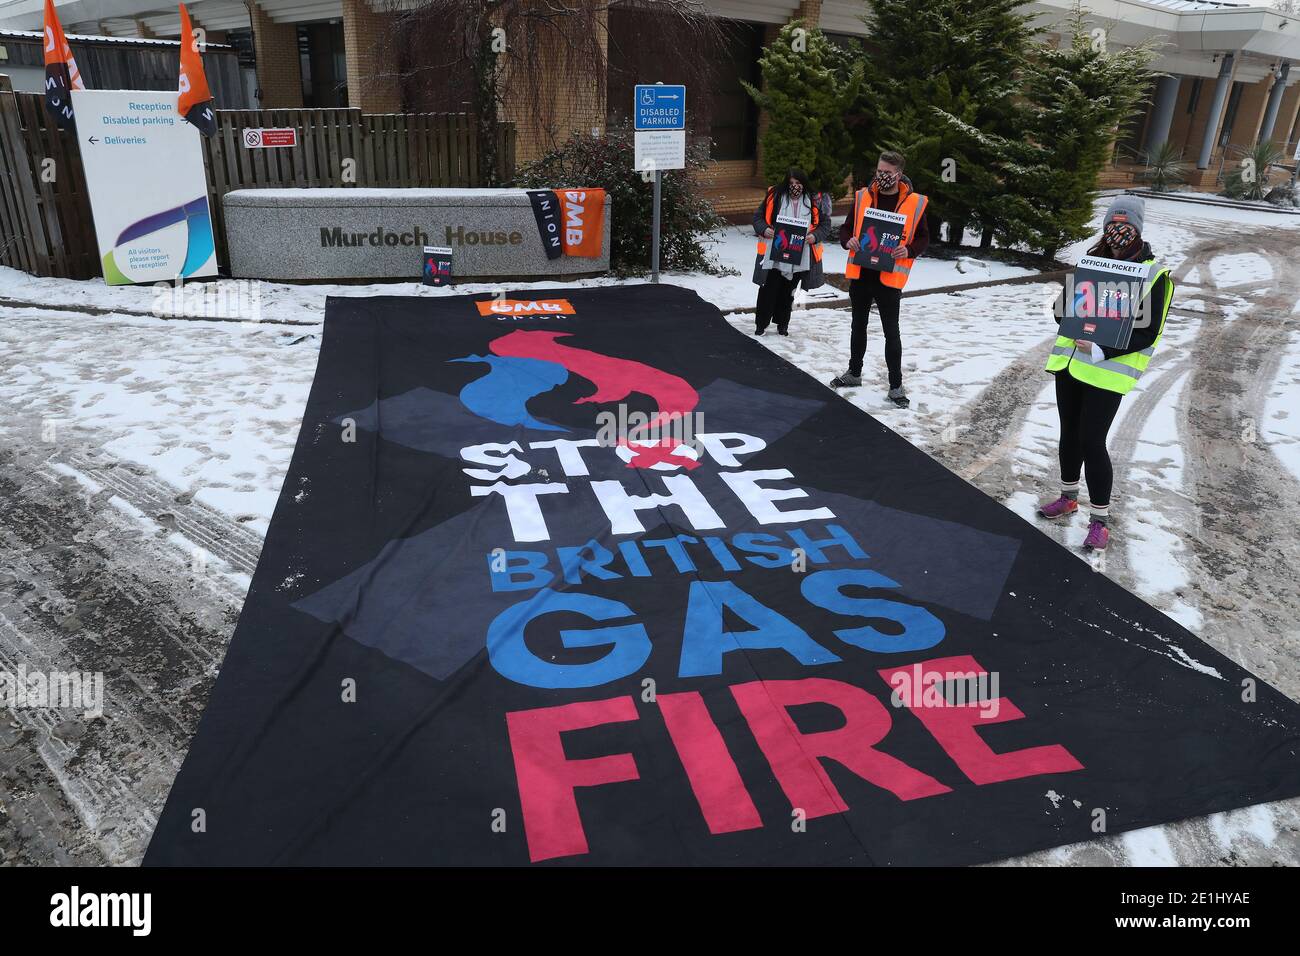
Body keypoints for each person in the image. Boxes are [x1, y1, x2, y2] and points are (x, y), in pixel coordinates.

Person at [1038, 195, 1175, 552]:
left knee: (1091, 441)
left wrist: (1100, 348)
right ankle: (1068, 497)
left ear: (1138, 229)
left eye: (1126, 225)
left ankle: (1100, 520)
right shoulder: (1092, 264)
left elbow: (1148, 332)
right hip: (1069, 365)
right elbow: (1060, 314)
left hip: (1107, 372)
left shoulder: (1154, 275)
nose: (1118, 231)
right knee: (1069, 434)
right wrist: (1067, 307)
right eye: (1113, 225)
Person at [829, 150, 929, 408]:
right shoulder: (863, 196)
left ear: (898, 174)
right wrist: (846, 240)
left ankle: (896, 385)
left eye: (887, 172)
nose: (881, 176)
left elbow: (923, 238)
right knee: (857, 326)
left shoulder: (914, 203)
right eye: (879, 171)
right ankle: (854, 373)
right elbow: (847, 228)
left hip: (889, 278)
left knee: (891, 332)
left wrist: (909, 250)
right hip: (862, 273)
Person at [751, 168, 833, 336]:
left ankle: (783, 324)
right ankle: (761, 324)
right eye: (791, 183)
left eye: (798, 183)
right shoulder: (775, 196)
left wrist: (814, 236)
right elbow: (757, 218)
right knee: (768, 289)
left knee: (789, 292)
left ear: (804, 184)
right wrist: (765, 229)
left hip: (800, 254)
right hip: (774, 252)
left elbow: (825, 225)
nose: (794, 186)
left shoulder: (814, 200)